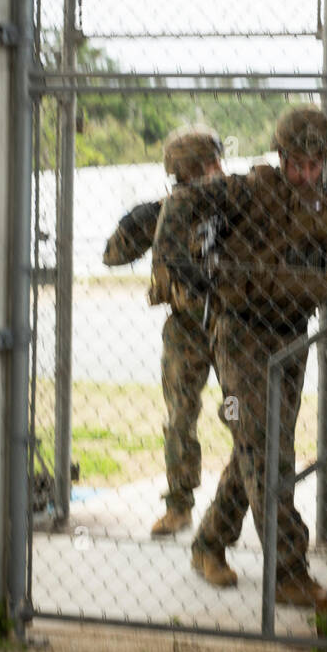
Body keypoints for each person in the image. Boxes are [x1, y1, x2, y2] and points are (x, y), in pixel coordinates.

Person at [151, 105, 327, 604]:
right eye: (296, 162)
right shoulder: (248, 189)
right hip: (242, 336)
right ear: (281, 155)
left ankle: (209, 542)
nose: (305, 173)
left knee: (258, 451)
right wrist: (175, 262)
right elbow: (179, 206)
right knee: (269, 455)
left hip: (290, 336)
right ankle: (288, 573)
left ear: (325, 160)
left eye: (314, 163)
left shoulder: (322, 206)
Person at [144, 125, 224, 535]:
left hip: (230, 322)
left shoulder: (234, 203)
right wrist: (144, 220)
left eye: (217, 160)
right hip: (186, 326)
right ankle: (180, 505)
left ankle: (235, 509)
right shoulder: (169, 210)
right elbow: (112, 254)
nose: (219, 169)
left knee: (245, 418)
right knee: (180, 418)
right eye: (210, 163)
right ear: (188, 170)